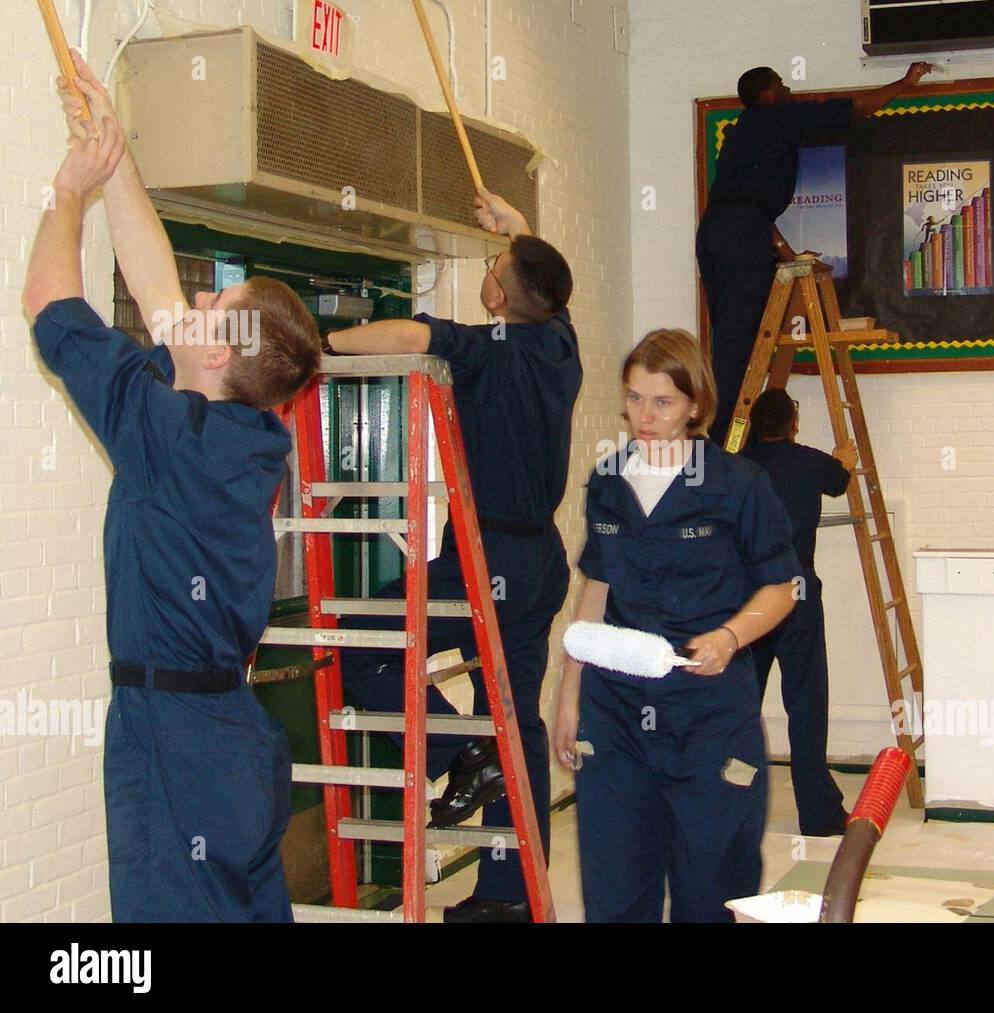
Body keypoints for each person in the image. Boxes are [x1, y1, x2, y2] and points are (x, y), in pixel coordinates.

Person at [29, 54, 321, 921]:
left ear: (220, 351)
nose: (194, 295)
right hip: (233, 739)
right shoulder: (238, 431)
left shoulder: (169, 435)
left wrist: (67, 191)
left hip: (174, 744)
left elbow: (50, 303)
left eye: (212, 302)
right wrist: (115, 156)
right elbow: (155, 286)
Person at [327, 190, 581, 923]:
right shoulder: (559, 345)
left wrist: (322, 345)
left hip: (487, 558)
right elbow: (544, 285)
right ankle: (508, 890)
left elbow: (411, 330)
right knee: (515, 717)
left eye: (493, 264)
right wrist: (520, 231)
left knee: (363, 645)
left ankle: (453, 749)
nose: (488, 268)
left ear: (500, 294)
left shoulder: (482, 347)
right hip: (538, 559)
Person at [554, 329, 801, 922]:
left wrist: (731, 634)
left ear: (695, 405)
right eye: (634, 398)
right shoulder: (608, 481)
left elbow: (784, 586)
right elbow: (596, 591)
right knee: (615, 886)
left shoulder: (739, 485)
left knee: (710, 887)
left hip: (708, 710)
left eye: (661, 401)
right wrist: (569, 696)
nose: (644, 415)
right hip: (615, 709)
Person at [696, 62, 931, 445]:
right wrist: (903, 83)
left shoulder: (740, 135)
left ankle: (728, 432)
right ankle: (728, 441)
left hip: (718, 231)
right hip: (740, 234)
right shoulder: (776, 117)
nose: (788, 89)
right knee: (742, 336)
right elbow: (854, 107)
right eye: (781, 84)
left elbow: (748, 208)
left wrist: (786, 253)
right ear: (766, 95)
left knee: (729, 334)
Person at [740, 389, 857, 836]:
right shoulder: (811, 463)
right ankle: (819, 814)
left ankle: (732, 801)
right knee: (806, 703)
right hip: (797, 593)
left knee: (740, 704)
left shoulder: (736, 466)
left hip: (748, 599)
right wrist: (843, 455)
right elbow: (838, 480)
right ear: (794, 424)